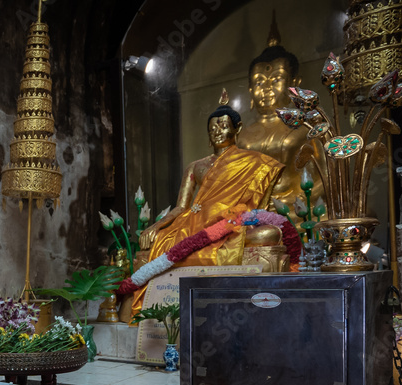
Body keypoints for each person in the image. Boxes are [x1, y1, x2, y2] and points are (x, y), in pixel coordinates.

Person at [130, 95, 284, 317]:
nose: (217, 131)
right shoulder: (196, 166)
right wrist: (156, 226)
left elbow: (262, 206)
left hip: (232, 224)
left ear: (237, 128)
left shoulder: (256, 162)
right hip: (192, 223)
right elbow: (181, 207)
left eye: (223, 126)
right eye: (212, 128)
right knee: (159, 241)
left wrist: (253, 220)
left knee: (268, 233)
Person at [238, 13, 323, 211]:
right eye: (259, 82)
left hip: (296, 209)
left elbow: (324, 179)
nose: (266, 88)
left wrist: (296, 202)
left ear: (294, 83)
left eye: (276, 79)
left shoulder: (308, 127)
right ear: (250, 89)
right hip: (254, 212)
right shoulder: (241, 135)